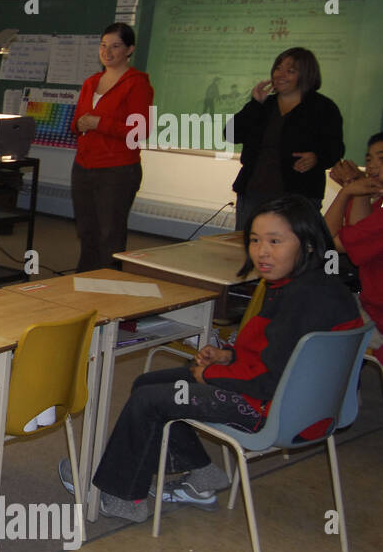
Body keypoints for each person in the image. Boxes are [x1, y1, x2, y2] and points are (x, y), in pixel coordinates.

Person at [75, 195, 362, 523]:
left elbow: (270, 380)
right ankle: (201, 473)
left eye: (274, 241)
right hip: (307, 403)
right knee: (148, 383)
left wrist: (210, 375)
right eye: (254, 240)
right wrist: (229, 356)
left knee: (152, 399)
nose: (261, 251)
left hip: (275, 409)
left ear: (308, 243)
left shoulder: (301, 298)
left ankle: (123, 495)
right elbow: (283, 353)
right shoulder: (309, 284)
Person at [69, 22, 154, 271]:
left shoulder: (137, 84)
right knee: (86, 230)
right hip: (84, 166)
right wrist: (81, 125)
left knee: (110, 235)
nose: (107, 52)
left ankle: (109, 287)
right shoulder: (91, 82)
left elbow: (139, 131)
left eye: (115, 46)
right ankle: (82, 281)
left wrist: (99, 123)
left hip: (117, 170)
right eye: (103, 46)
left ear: (129, 50)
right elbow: (77, 123)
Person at [231, 47, 344, 233]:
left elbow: (335, 149)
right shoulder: (264, 105)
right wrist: (254, 104)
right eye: (278, 68)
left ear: (307, 74)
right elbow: (231, 134)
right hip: (254, 193)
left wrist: (316, 158)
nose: (280, 75)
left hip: (298, 197)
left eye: (290, 71)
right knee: (250, 249)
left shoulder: (323, 108)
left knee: (293, 251)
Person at [324, 133, 383, 363]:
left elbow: (330, 243)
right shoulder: (379, 202)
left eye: (381, 159)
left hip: (377, 315)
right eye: (369, 160)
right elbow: (358, 231)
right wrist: (356, 186)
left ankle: (337, 395)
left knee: (316, 312)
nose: (373, 167)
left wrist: (347, 192)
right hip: (372, 305)